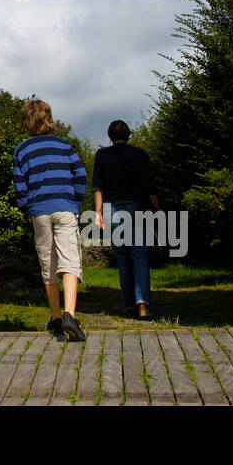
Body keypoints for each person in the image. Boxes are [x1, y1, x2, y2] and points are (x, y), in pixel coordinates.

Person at [12, 99, 88, 341]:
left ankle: (56, 317)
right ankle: (70, 315)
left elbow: (20, 184)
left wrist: (28, 207)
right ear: (49, 118)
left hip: (39, 210)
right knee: (70, 260)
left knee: (48, 263)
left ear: (26, 121)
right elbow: (81, 174)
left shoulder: (21, 150)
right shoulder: (65, 147)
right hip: (65, 208)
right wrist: (74, 202)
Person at [93, 120, 159, 320]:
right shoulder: (140, 154)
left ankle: (129, 303)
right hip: (138, 207)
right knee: (140, 255)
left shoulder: (102, 155)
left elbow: (98, 186)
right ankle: (143, 304)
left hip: (113, 209)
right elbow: (150, 186)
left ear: (110, 136)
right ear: (129, 134)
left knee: (122, 258)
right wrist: (156, 210)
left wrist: (98, 213)